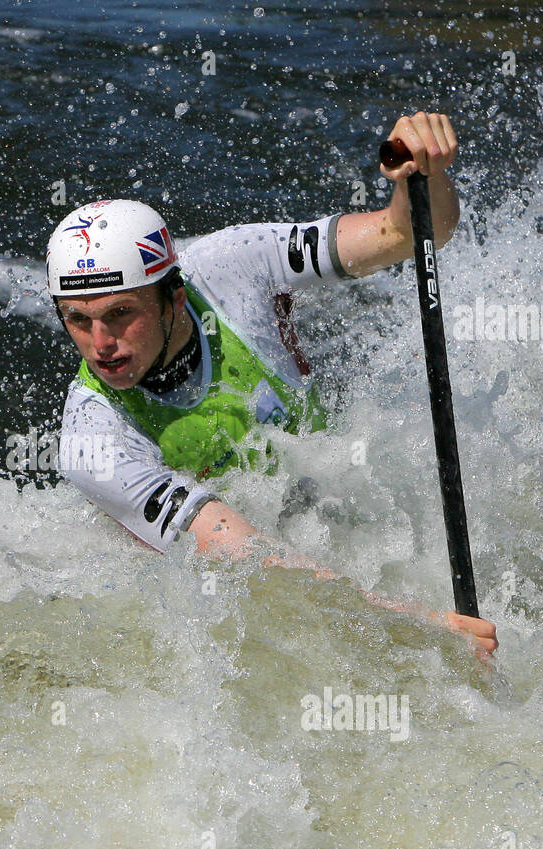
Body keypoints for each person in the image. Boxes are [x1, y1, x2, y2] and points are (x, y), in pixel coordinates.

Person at [47, 112, 497, 659]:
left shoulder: (235, 264)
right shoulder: (92, 442)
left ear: (174, 297)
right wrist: (419, 628)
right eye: (78, 320)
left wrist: (420, 174)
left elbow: (408, 234)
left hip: (322, 510)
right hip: (225, 594)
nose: (100, 344)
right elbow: (253, 562)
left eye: (121, 313)